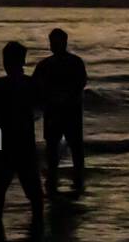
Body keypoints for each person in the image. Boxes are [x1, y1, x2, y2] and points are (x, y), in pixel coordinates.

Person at [0, 41, 44, 242]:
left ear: (5, 62)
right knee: (33, 190)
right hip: (24, 138)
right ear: (23, 61)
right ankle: (38, 228)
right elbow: (41, 105)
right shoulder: (31, 84)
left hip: (0, 137)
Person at [32, 28, 88, 196]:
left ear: (64, 43)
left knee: (74, 149)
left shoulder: (71, 62)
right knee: (55, 149)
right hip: (58, 112)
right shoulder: (46, 65)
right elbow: (35, 88)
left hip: (67, 112)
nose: (53, 45)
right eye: (52, 42)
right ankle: (62, 180)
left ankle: (72, 181)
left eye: (56, 42)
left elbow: (80, 84)